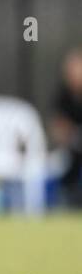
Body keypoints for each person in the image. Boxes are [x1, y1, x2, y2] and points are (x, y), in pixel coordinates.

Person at [49, 47, 82, 208]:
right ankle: (67, 201)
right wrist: (70, 137)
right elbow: (58, 128)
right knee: (65, 162)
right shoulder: (63, 95)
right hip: (71, 149)